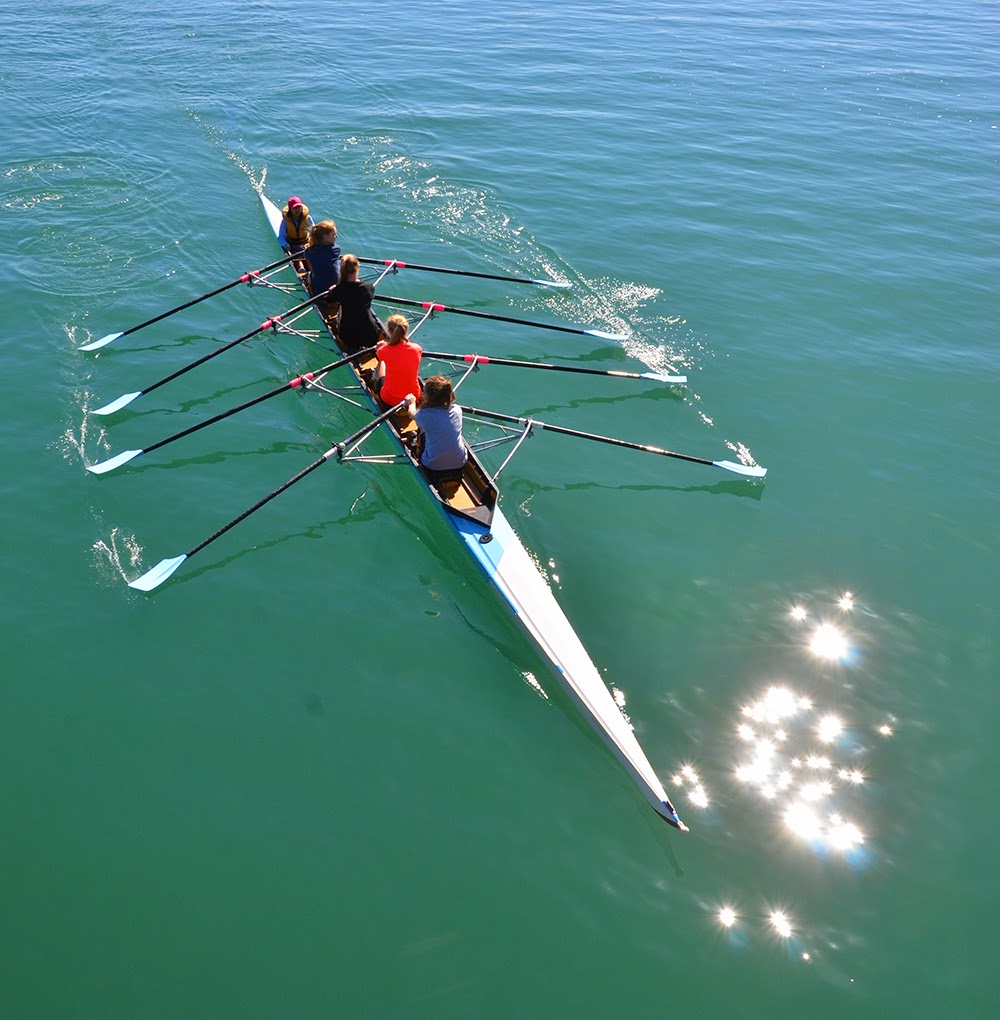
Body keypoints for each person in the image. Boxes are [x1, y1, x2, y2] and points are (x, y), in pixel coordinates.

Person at [404, 375, 469, 475]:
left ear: (430, 398)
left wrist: (411, 403)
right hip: (460, 463)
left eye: (424, 392)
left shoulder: (425, 415)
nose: (422, 394)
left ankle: (417, 452)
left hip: (432, 467)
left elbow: (411, 414)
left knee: (422, 429)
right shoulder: (457, 410)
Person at [325, 253, 386, 354]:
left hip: (349, 337)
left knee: (339, 309)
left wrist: (332, 290)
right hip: (371, 334)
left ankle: (353, 350)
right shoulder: (369, 288)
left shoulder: (339, 290)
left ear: (342, 269)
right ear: (357, 267)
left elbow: (329, 299)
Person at [375, 314, 422, 409]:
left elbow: (386, 353)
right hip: (414, 397)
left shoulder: (383, 351)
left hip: (389, 399)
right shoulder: (417, 348)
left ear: (389, 331)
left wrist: (381, 347)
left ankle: (374, 383)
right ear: (406, 330)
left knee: (381, 363)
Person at [302, 220, 341, 307]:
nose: (336, 236)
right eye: (334, 234)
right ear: (325, 236)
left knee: (311, 273)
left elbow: (312, 268)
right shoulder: (337, 249)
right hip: (336, 291)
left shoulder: (309, 251)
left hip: (319, 292)